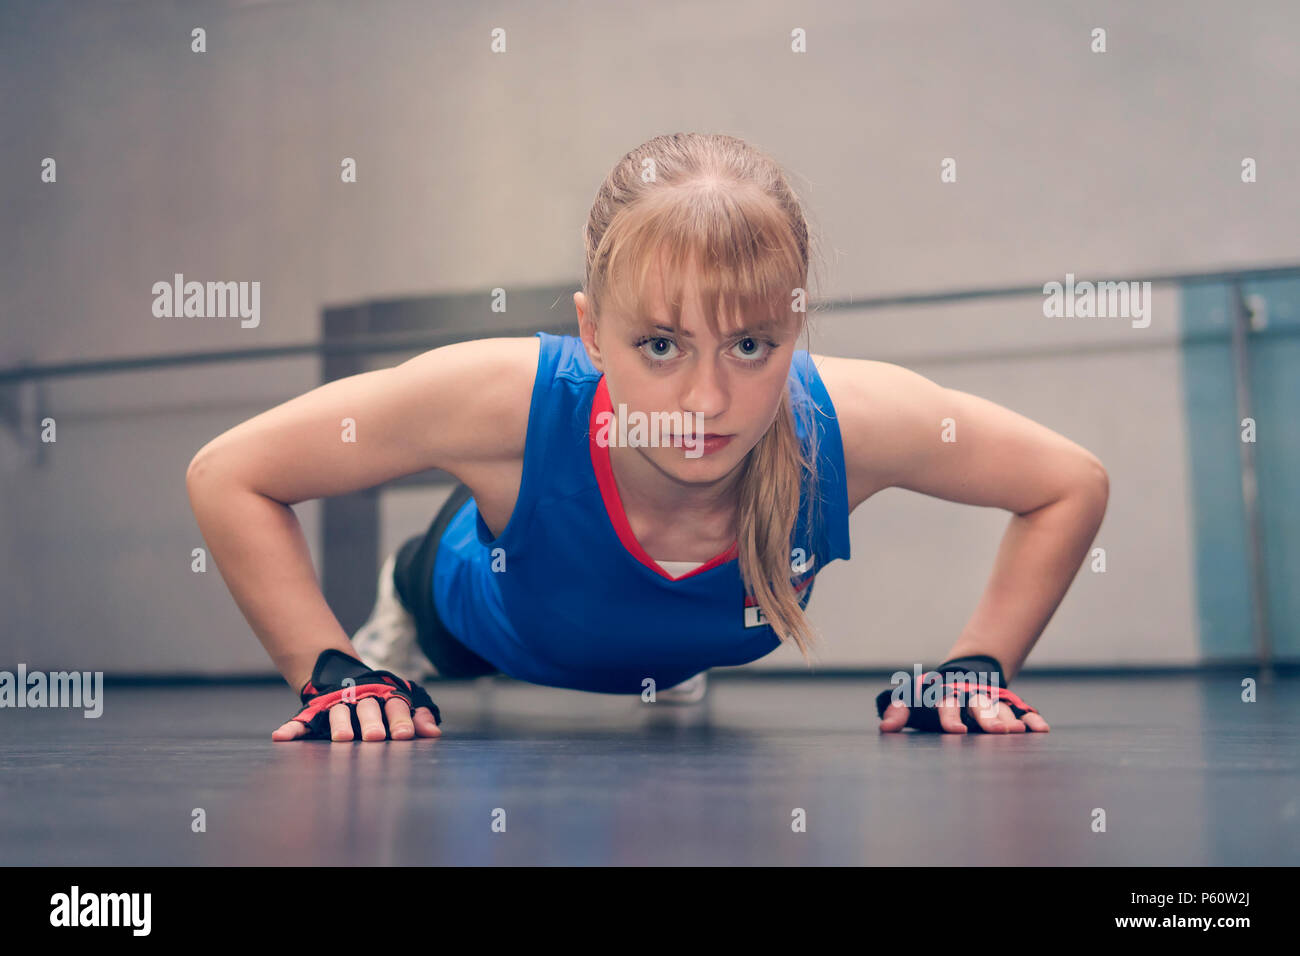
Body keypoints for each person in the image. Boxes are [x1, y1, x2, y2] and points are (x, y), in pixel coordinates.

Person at [185, 132, 1107, 743]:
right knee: (449, 594)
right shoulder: (502, 397)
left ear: (795, 326)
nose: (708, 399)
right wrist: (329, 671)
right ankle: (401, 602)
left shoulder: (849, 424)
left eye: (750, 346)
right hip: (478, 614)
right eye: (659, 345)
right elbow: (230, 474)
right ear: (591, 332)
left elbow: (1069, 482)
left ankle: (665, 664)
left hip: (661, 644)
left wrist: (975, 665)